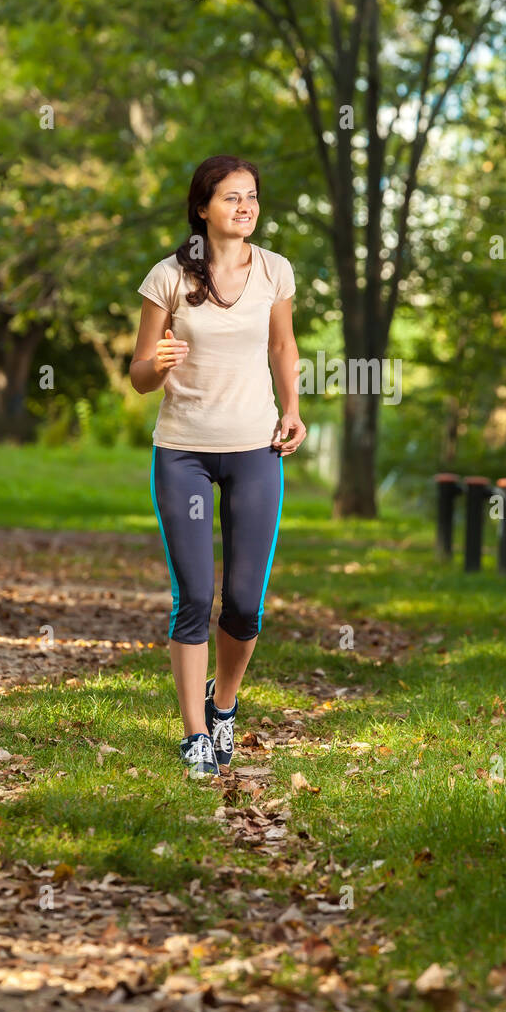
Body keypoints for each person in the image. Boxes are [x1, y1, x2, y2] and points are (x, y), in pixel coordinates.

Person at [130, 155, 306, 780]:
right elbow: (140, 373)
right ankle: (195, 735)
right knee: (195, 596)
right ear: (202, 207)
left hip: (256, 450)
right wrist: (161, 362)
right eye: (232, 198)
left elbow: (282, 346)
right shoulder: (168, 277)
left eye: (252, 197)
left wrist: (292, 409)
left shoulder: (274, 270)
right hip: (184, 453)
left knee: (245, 602)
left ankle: (224, 705)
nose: (245, 207)